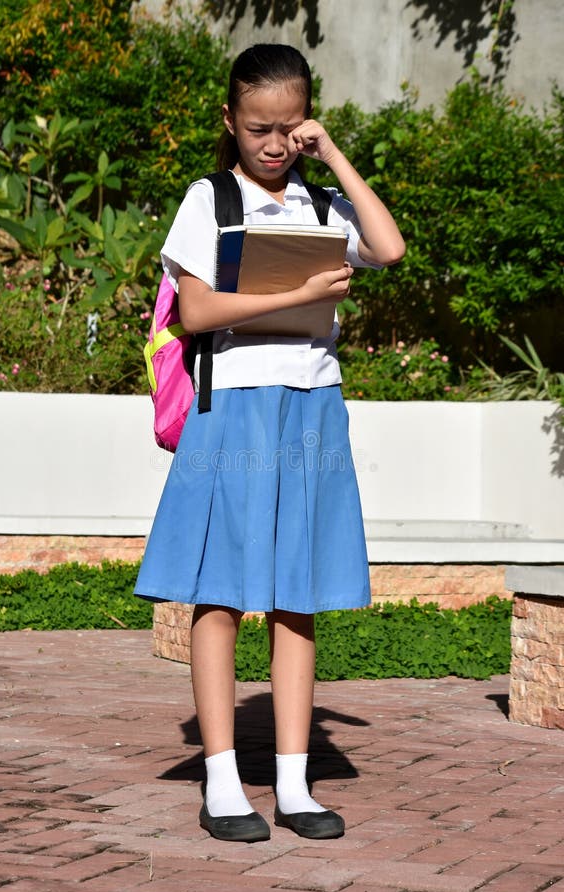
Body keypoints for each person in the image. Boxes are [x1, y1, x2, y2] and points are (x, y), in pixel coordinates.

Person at [135, 43, 405, 842]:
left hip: (312, 409)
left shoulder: (323, 204)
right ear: (230, 121)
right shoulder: (208, 198)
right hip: (233, 411)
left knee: (298, 596)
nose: (276, 142)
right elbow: (195, 314)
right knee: (219, 595)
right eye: (260, 127)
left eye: (291, 127)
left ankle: (294, 784)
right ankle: (223, 783)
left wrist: (337, 156)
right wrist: (299, 292)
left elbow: (388, 249)